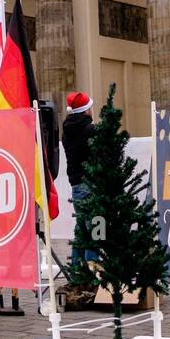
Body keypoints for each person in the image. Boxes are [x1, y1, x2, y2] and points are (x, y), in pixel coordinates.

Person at [61, 90, 98, 270]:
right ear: (85, 110)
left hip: (76, 184)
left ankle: (76, 268)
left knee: (82, 227)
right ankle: (94, 266)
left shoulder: (67, 130)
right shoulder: (90, 130)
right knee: (98, 224)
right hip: (91, 183)